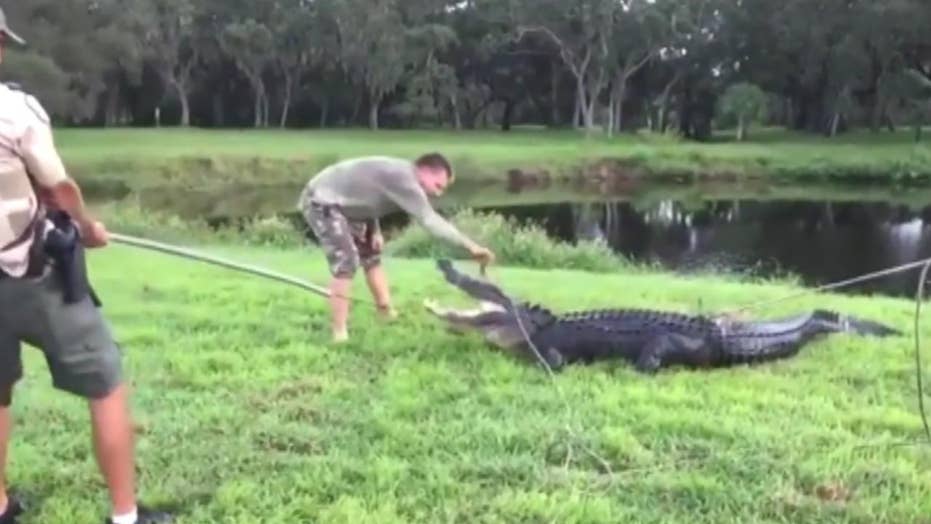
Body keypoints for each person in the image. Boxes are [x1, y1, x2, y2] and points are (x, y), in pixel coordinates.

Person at [0, 10, 172, 524]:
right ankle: (126, 516)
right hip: (27, 275)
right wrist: (88, 227)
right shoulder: (15, 109)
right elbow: (56, 186)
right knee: (106, 380)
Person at [298, 153, 496, 342]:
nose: (437, 193)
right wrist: (471, 247)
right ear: (424, 170)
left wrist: (374, 229)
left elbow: (367, 195)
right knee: (346, 263)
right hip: (321, 201)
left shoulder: (399, 173)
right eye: (438, 186)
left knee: (372, 256)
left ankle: (385, 311)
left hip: (347, 206)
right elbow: (430, 221)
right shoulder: (405, 179)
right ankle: (339, 332)